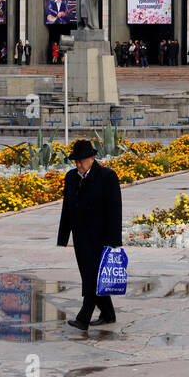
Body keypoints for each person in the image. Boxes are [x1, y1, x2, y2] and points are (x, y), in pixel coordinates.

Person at [56, 138, 123, 331]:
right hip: (80, 236)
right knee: (90, 275)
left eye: (82, 160)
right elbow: (66, 209)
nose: (78, 164)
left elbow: (114, 210)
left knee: (92, 278)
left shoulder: (107, 177)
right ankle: (108, 313)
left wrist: (113, 241)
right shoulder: (71, 177)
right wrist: (63, 237)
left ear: (92, 158)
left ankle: (84, 317)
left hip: (100, 237)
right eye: (75, 160)